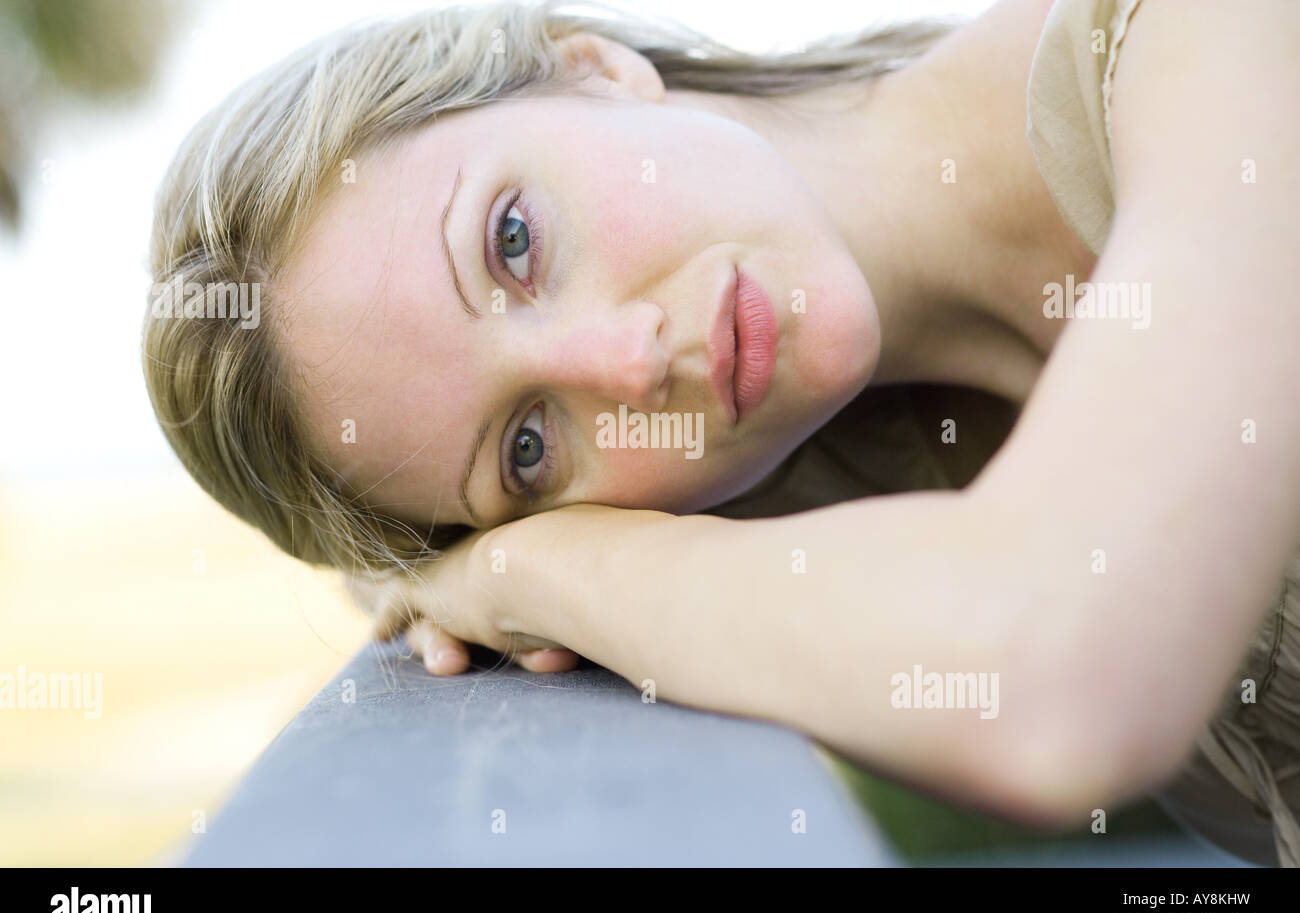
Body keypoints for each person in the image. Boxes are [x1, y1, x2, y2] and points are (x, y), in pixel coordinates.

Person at [141, 0, 1300, 865]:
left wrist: (535, 562)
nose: (626, 362)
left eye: (512, 242)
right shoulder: (831, 494)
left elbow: (1057, 685)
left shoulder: (1206, 46)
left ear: (591, 70)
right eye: (528, 448)